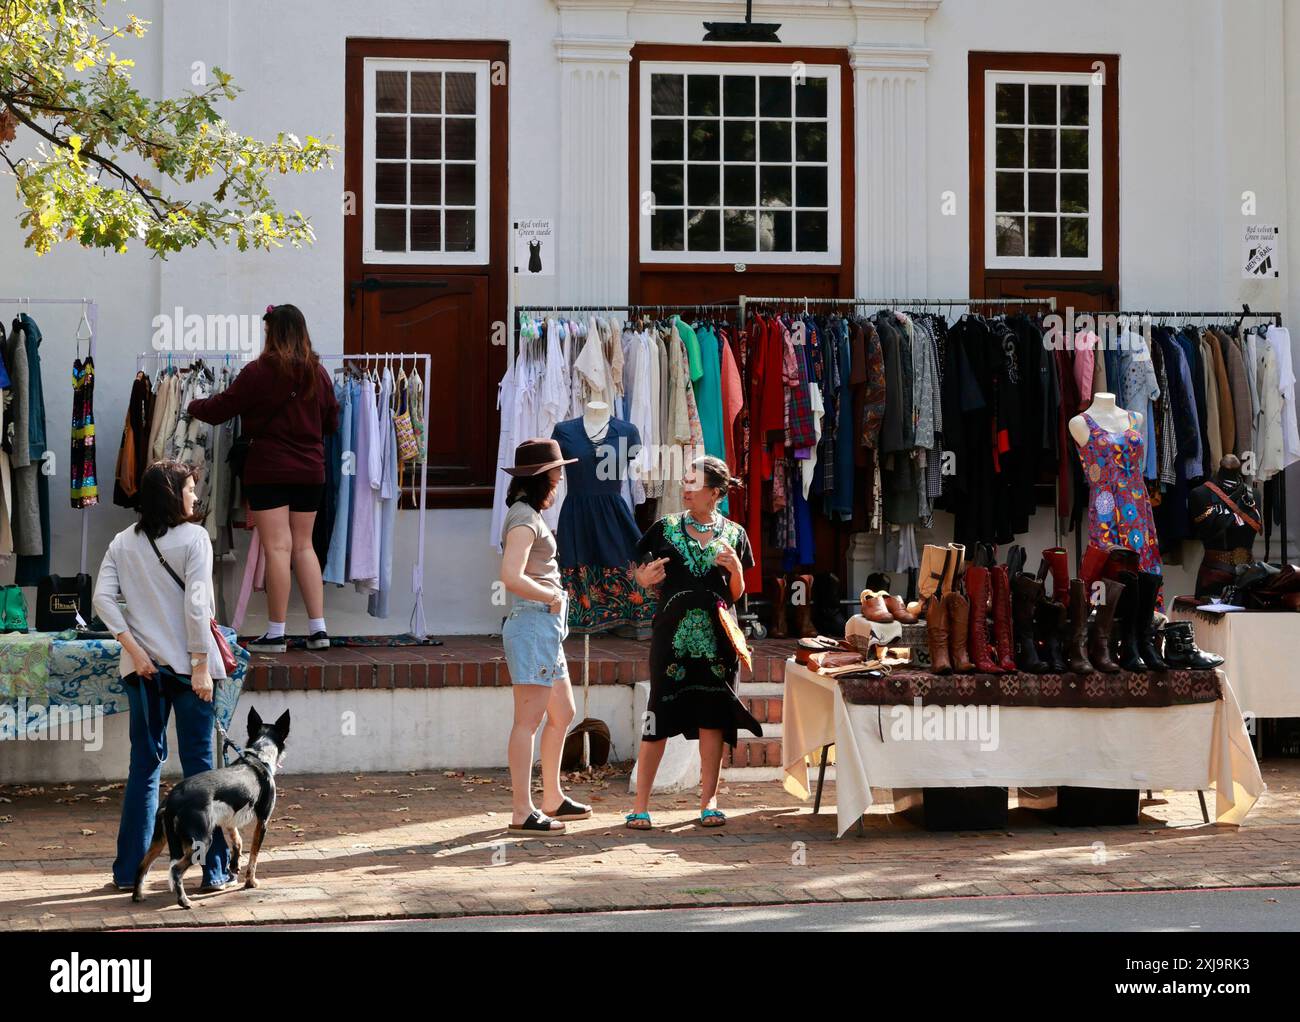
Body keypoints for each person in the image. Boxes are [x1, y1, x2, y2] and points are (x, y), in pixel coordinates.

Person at [93, 460, 234, 892]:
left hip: (143, 673)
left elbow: (102, 599)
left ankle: (127, 871)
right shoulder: (194, 539)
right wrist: (197, 666)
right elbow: (197, 607)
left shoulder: (122, 542)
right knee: (201, 771)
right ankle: (213, 871)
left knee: (144, 768)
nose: (195, 496)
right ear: (174, 495)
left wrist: (135, 651)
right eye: (190, 489)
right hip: (188, 672)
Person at [188, 304, 339, 652]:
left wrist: (193, 405)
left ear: (273, 332)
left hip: (269, 468)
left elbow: (221, 408)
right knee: (304, 546)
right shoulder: (320, 374)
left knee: (278, 548)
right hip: (311, 470)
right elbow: (331, 422)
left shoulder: (258, 372)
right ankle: (319, 630)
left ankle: (276, 632)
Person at [626, 455, 761, 830]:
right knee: (658, 715)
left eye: (693, 482)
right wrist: (642, 578)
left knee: (712, 717)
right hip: (671, 639)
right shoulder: (664, 529)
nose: (685, 487)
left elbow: (735, 595)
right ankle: (640, 806)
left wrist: (735, 569)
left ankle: (709, 802)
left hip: (719, 640)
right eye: (684, 479)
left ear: (714, 493)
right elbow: (637, 572)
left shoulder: (735, 534)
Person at [499, 438, 591, 834]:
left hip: (545, 626)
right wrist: (551, 595)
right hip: (535, 622)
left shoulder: (529, 514)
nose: (560, 479)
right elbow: (511, 576)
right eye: (557, 472)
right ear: (542, 478)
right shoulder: (523, 519)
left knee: (563, 712)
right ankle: (522, 810)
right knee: (528, 721)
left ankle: (551, 798)